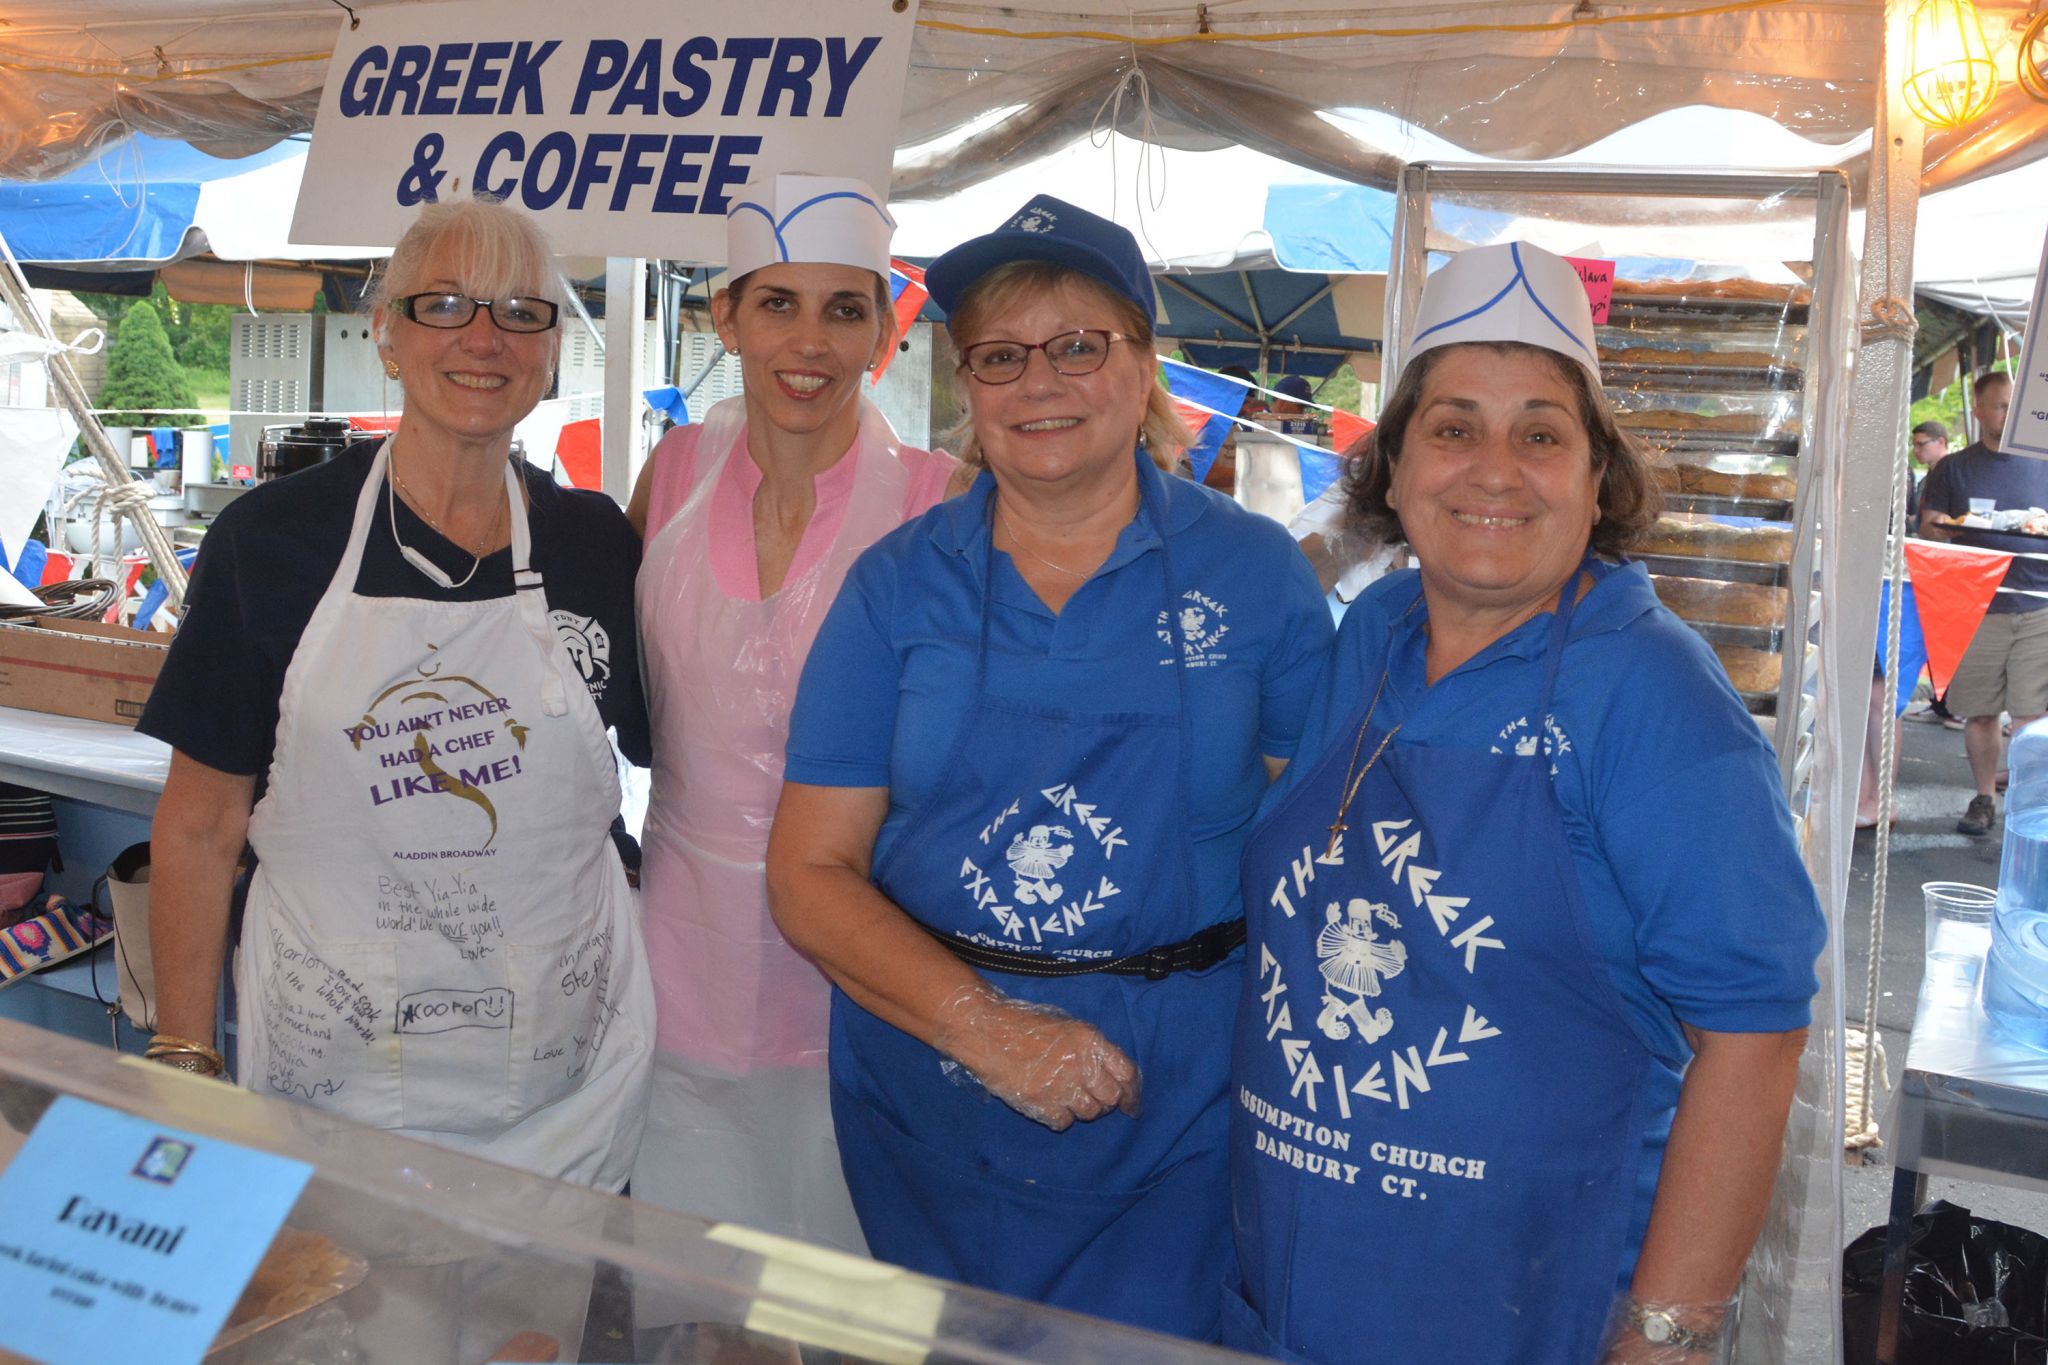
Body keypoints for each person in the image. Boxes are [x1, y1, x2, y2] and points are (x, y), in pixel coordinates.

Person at [1225, 241, 1823, 1365]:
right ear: (1392, 470)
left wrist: (1665, 1333)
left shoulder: (1651, 693)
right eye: (1451, 428)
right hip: (1294, 1278)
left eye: (1540, 435)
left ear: (1596, 482)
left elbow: (1752, 1031)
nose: (1492, 469)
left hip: (1520, 1307)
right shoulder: (1371, 637)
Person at [765, 196, 1333, 1339]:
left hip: (1181, 1101)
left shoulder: (1255, 576)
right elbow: (808, 872)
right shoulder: (896, 586)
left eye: (1079, 346)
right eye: (1001, 355)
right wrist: (987, 1030)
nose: (1040, 383)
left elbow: (1310, 846)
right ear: (965, 385)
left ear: (1143, 365)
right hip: (931, 1079)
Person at [139, 197, 654, 1189]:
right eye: (445, 304)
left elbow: (679, 773)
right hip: (336, 1075)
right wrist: (183, 1057)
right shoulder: (272, 542)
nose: (483, 339)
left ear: (550, 354)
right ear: (386, 333)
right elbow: (202, 824)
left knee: (544, 1336)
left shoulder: (596, 544)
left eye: (519, 312)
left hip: (568, 1081)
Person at [624, 173, 959, 1251]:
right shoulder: (670, 472)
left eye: (844, 309)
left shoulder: (937, 503)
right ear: (724, 317)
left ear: (885, 334)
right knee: (698, 1298)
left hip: (860, 962)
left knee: (849, 1294)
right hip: (678, 951)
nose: (807, 342)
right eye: (776, 304)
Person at [1918, 370, 2032, 836]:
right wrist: (1943, 523)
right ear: (1979, 410)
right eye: (1999, 405)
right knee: (1981, 710)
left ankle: (2027, 804)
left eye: (2013, 405)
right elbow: (1927, 526)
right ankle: (1984, 796)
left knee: (2031, 714)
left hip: (2038, 601)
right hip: (1976, 601)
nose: (2006, 414)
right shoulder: (1953, 468)